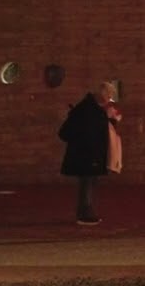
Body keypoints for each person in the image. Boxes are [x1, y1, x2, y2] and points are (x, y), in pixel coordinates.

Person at [59, 81, 119, 225]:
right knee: (87, 183)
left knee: (89, 183)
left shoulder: (91, 108)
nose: (109, 99)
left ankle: (86, 211)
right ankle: (85, 213)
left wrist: (110, 119)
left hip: (89, 152)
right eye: (109, 95)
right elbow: (92, 129)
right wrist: (109, 118)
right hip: (87, 153)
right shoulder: (89, 109)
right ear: (102, 94)